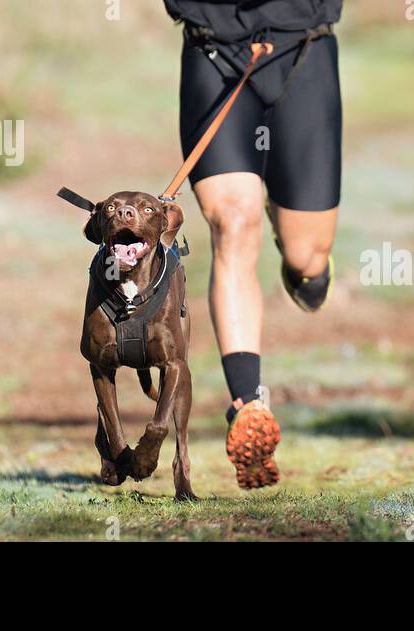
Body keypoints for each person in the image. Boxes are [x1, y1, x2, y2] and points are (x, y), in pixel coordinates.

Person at [163, 0, 344, 489]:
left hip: (303, 50)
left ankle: (297, 248)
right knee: (232, 222)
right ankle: (248, 403)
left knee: (308, 258)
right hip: (213, 52)